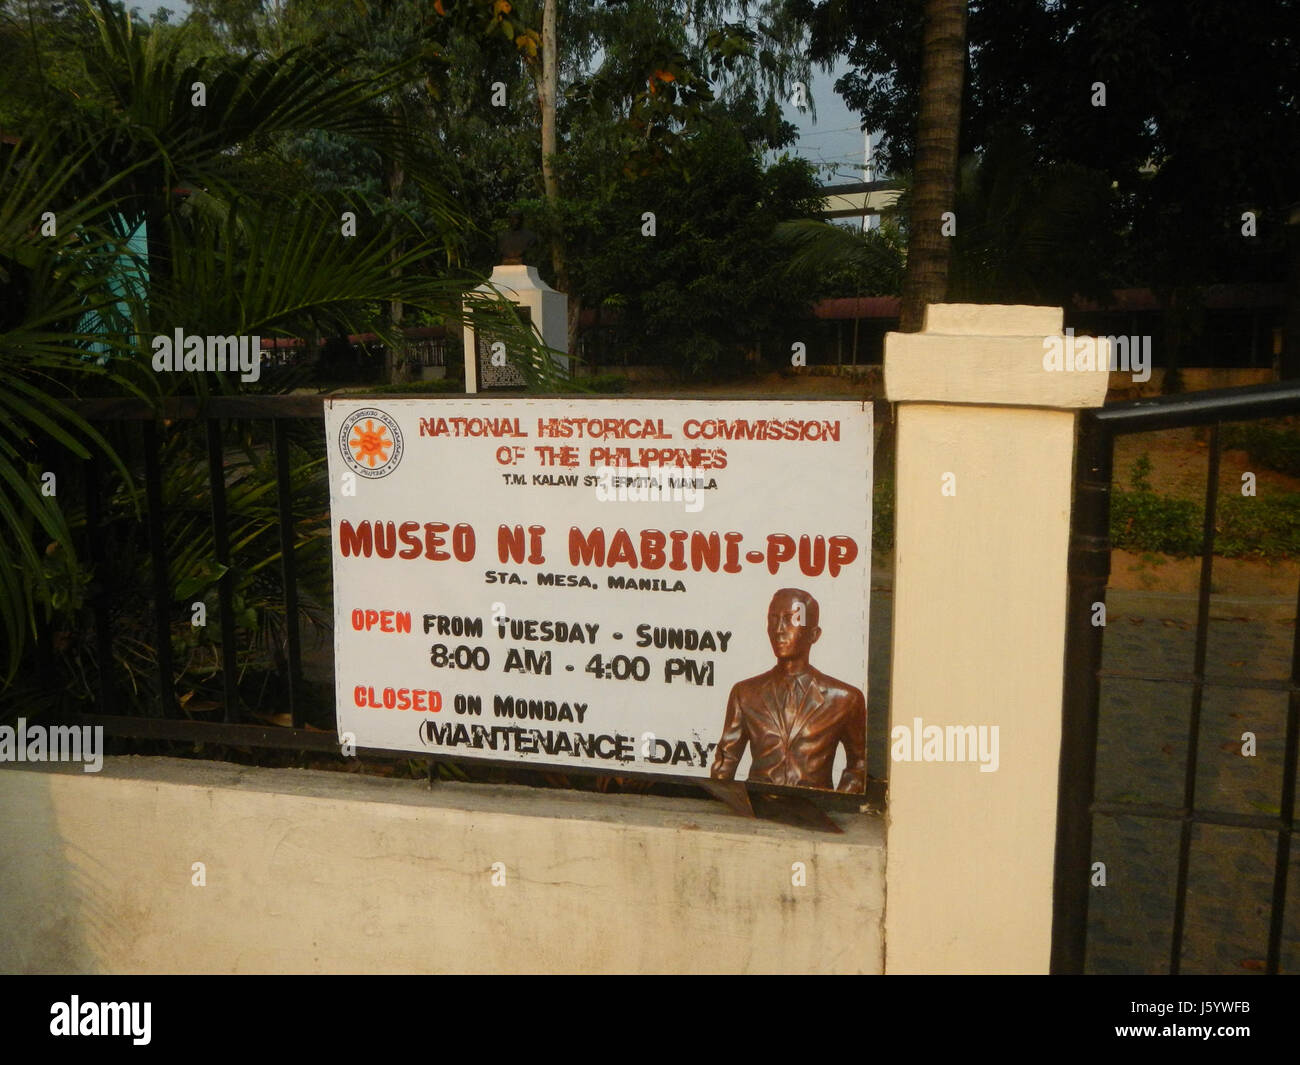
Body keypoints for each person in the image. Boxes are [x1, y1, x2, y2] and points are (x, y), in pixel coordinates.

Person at [710, 588, 866, 793]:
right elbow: (725, 761)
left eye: (790, 619)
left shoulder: (845, 699)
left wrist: (836, 803)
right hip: (757, 810)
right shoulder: (745, 693)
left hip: (815, 814)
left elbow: (860, 765)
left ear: (814, 634)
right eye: (773, 619)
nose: (779, 629)